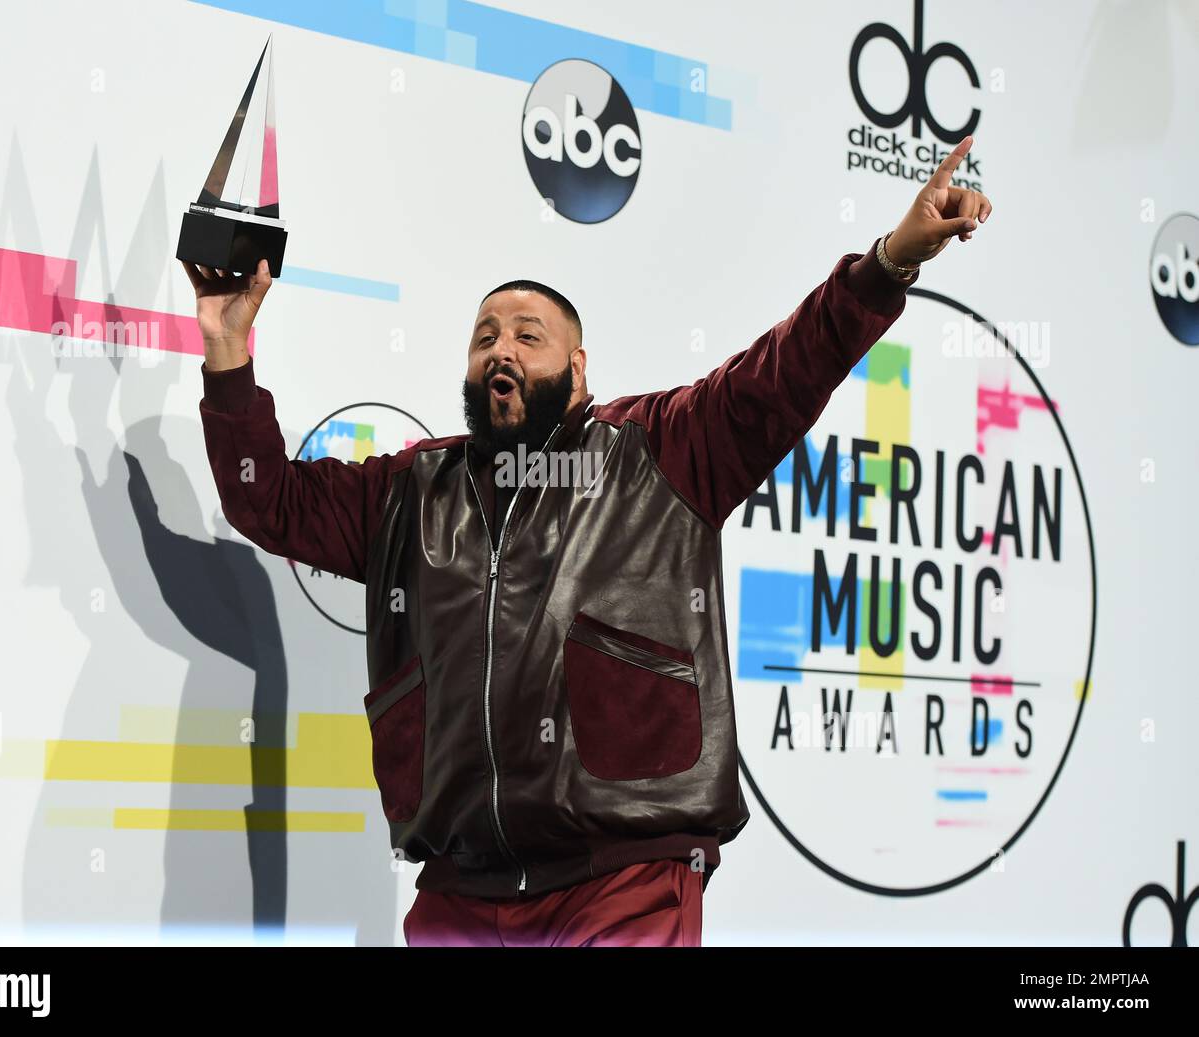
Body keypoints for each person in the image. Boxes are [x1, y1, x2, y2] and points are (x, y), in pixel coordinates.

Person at [184, 136, 991, 947]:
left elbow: (784, 373)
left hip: (624, 877)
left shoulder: (660, 451)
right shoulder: (408, 492)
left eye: (527, 336)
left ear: (578, 372)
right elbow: (269, 501)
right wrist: (225, 342)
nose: (501, 347)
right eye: (485, 335)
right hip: (461, 889)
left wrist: (886, 264)